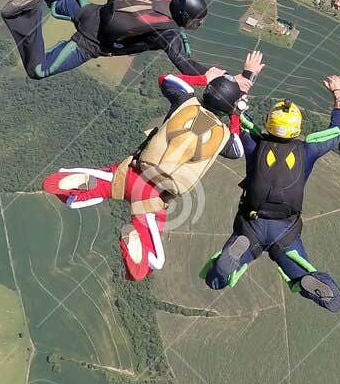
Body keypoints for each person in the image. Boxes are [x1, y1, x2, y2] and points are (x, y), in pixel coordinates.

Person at [44, 52, 264, 281]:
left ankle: (83, 187)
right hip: (154, 196)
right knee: (149, 264)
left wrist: (205, 79)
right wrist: (236, 112)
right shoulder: (224, 137)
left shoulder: (185, 102)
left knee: (103, 182)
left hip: (133, 172)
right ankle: (135, 236)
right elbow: (238, 148)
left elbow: (166, 78)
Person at [203, 75, 340, 312]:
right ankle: (318, 287)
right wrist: (338, 97)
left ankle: (224, 271)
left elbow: (236, 116)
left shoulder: (254, 144)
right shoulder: (308, 150)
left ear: (268, 122)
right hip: (286, 229)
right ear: (297, 128)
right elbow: (337, 131)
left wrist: (245, 80)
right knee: (297, 270)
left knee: (214, 280)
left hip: (251, 225)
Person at [0, 0, 226, 79]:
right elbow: (183, 62)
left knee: (57, 2)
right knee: (38, 70)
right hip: (90, 43)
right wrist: (211, 76)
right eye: (197, 20)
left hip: (91, 12)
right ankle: (24, 13)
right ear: (185, 17)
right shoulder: (169, 34)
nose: (200, 23)